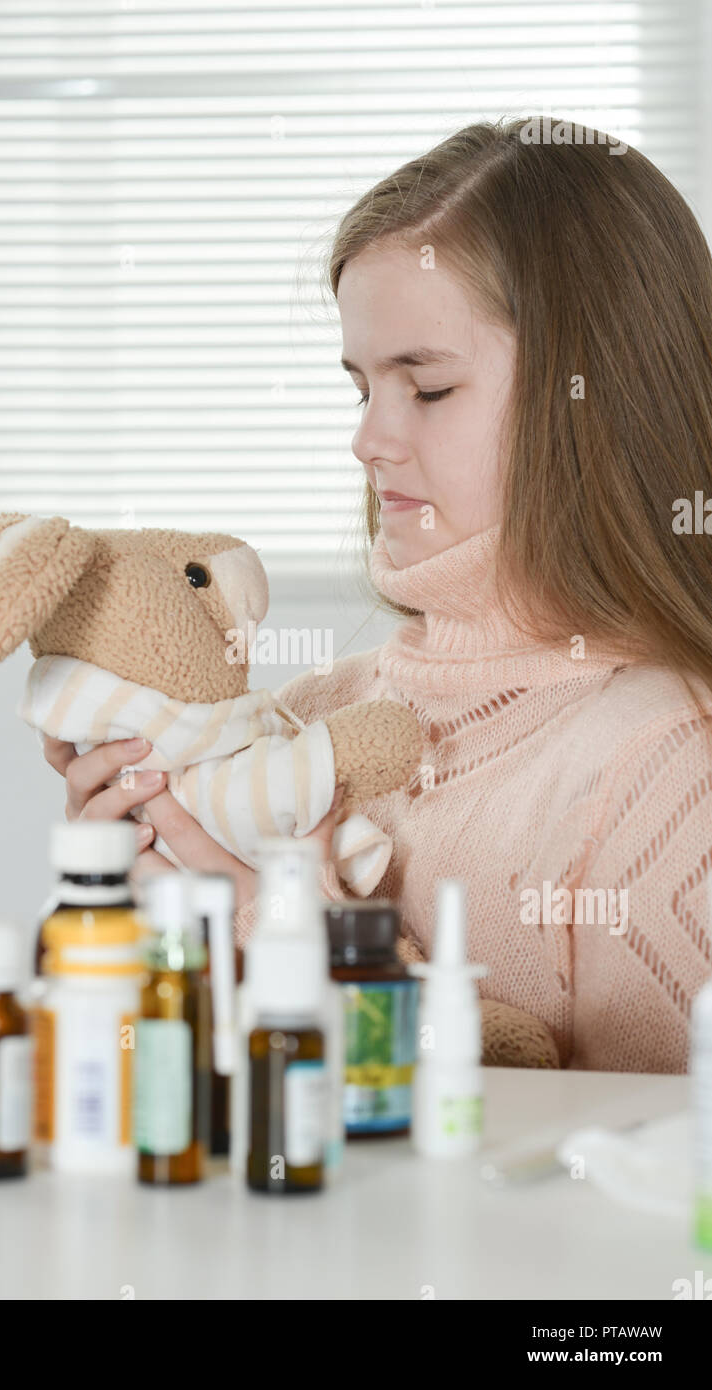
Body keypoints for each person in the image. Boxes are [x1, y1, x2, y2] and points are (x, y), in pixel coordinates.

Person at [43, 117, 712, 1073]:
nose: (369, 439)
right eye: (360, 386)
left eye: (426, 388)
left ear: (595, 397)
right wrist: (117, 897)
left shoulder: (666, 762)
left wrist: (331, 973)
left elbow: (647, 1191)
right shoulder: (301, 716)